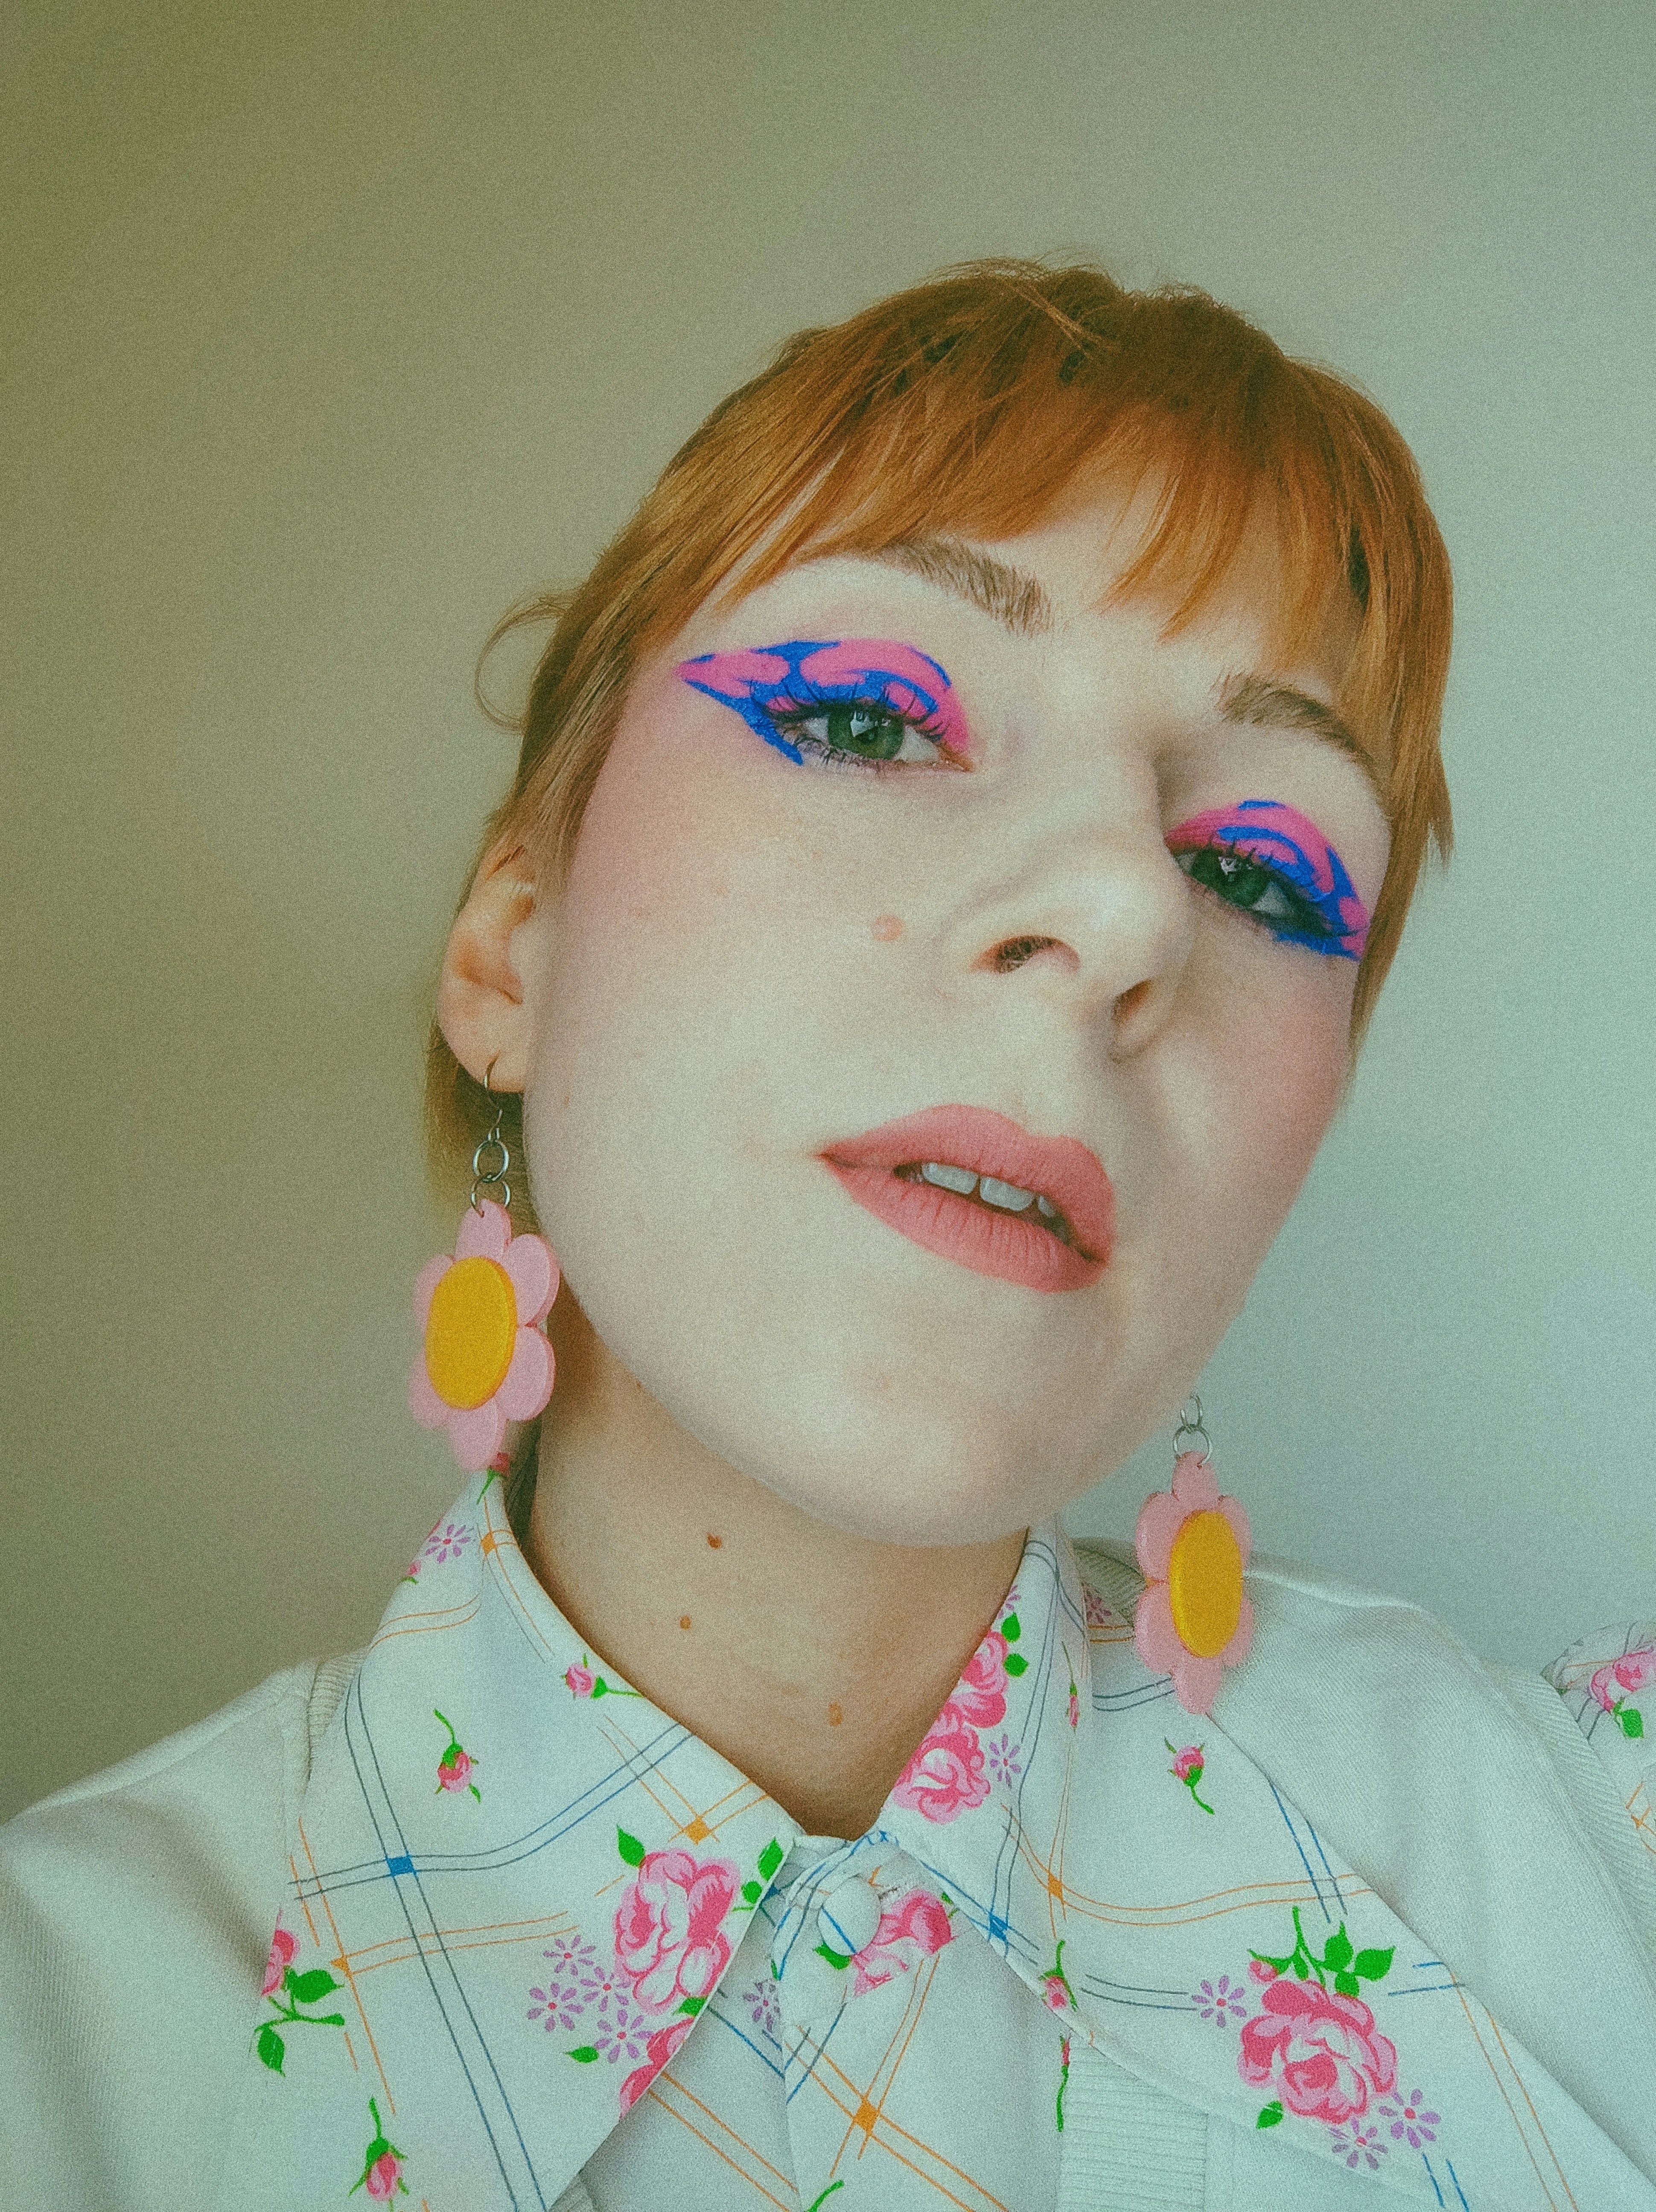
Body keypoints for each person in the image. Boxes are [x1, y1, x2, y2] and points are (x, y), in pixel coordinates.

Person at [3, 261, 1653, 2212]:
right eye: (872, 715)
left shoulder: (1590, 1857)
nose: (1126, 911)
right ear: (510, 952)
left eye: (1258, 869)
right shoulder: (57, 2056)